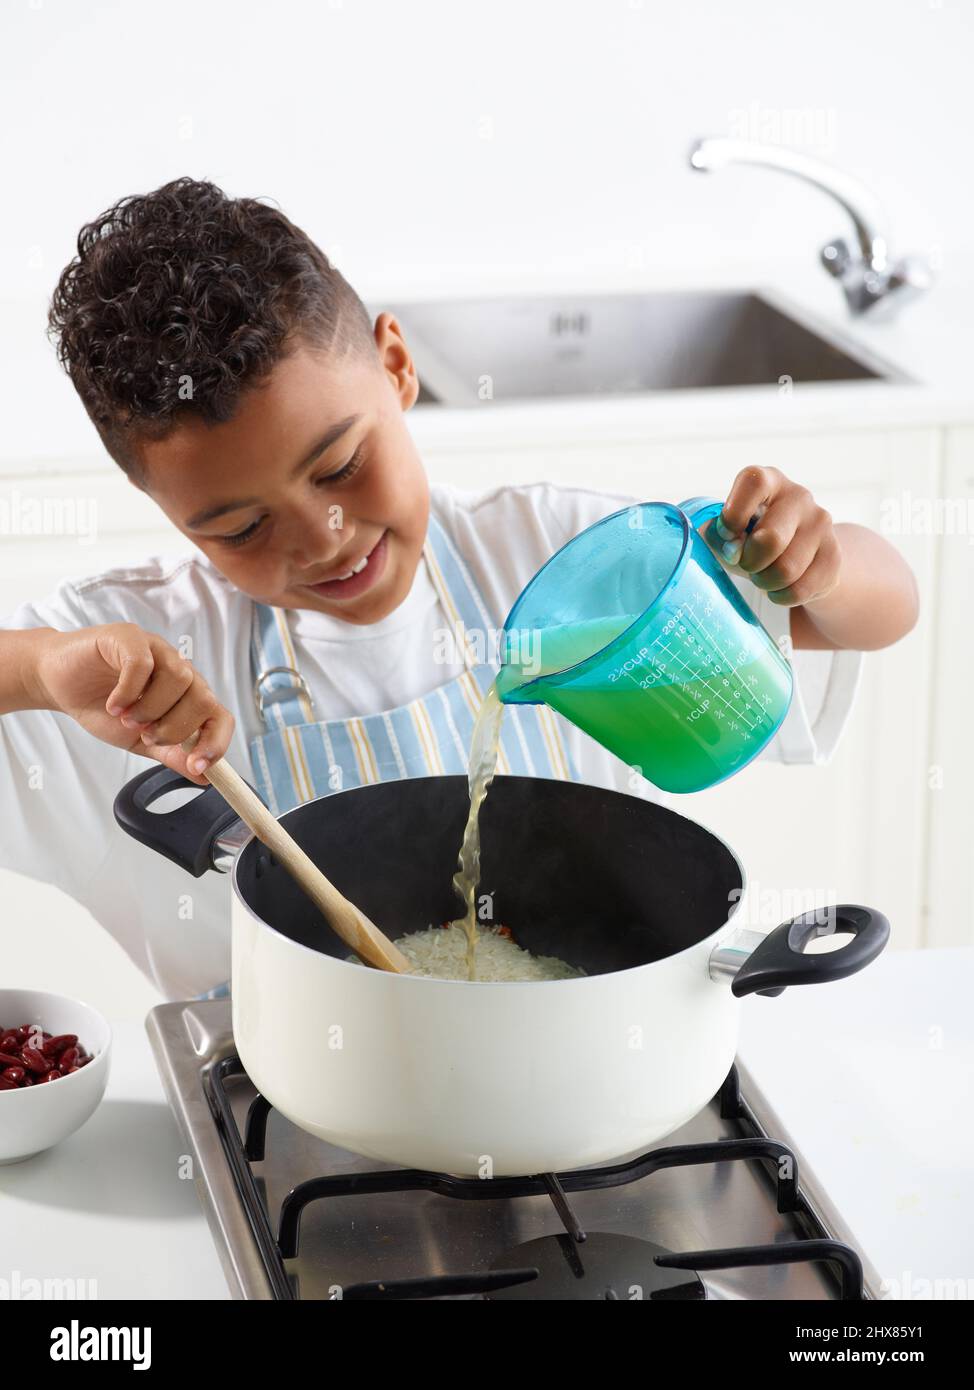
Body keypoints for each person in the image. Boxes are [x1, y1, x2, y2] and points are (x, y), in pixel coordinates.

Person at [0, 179, 919, 1002]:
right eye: (240, 529)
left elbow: (886, 608)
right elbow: (44, 673)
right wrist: (40, 671)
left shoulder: (552, 558)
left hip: (592, 1085)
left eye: (343, 465)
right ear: (161, 510)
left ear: (397, 367)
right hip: (283, 1129)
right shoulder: (126, 658)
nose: (323, 537)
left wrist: (825, 565)